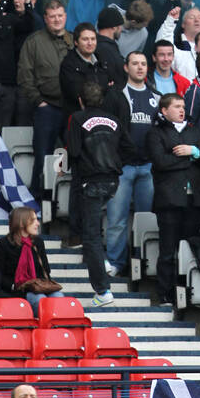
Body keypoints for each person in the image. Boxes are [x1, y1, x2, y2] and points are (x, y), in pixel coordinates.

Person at [66, 79, 128, 308]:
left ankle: (103, 290)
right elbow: (128, 148)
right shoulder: (114, 120)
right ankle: (105, 264)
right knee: (109, 224)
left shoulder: (77, 118)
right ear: (101, 101)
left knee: (90, 236)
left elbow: (72, 150)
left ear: (81, 101)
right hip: (113, 182)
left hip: (90, 183)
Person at [105, 49, 159, 278]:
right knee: (116, 219)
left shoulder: (156, 97)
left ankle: (143, 265)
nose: (139, 67)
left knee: (146, 220)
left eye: (143, 64)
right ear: (126, 68)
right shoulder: (117, 95)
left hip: (148, 167)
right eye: (135, 63)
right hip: (122, 167)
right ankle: (115, 263)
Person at [17, 0, 72, 197]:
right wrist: (38, 102)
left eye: (60, 16)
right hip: (46, 108)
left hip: (71, 110)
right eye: (52, 16)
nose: (57, 20)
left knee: (72, 157)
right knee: (42, 157)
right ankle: (37, 204)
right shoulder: (33, 42)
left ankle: (64, 203)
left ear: (65, 17)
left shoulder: (74, 40)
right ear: (45, 19)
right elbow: (24, 75)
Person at [0, 205, 61, 315]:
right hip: (17, 289)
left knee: (59, 297)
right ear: (21, 223)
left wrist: (42, 285)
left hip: (38, 287)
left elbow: (46, 270)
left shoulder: (38, 242)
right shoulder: (3, 244)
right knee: (39, 299)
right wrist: (14, 285)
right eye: (33, 220)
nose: (38, 223)